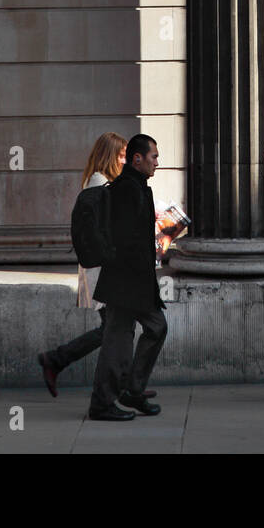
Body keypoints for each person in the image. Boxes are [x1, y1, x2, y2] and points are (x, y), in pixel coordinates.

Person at [36, 132, 153, 402]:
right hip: (102, 269)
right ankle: (59, 361)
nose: (127, 160)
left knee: (115, 329)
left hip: (106, 268)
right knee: (114, 329)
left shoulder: (106, 182)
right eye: (123, 155)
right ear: (111, 155)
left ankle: (120, 384)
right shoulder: (100, 182)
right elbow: (98, 228)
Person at [88, 134, 167, 421]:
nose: (157, 162)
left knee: (130, 336)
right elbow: (126, 241)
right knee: (120, 341)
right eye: (153, 157)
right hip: (127, 283)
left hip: (130, 282)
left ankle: (129, 391)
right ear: (138, 158)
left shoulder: (136, 187)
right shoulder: (127, 189)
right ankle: (106, 401)